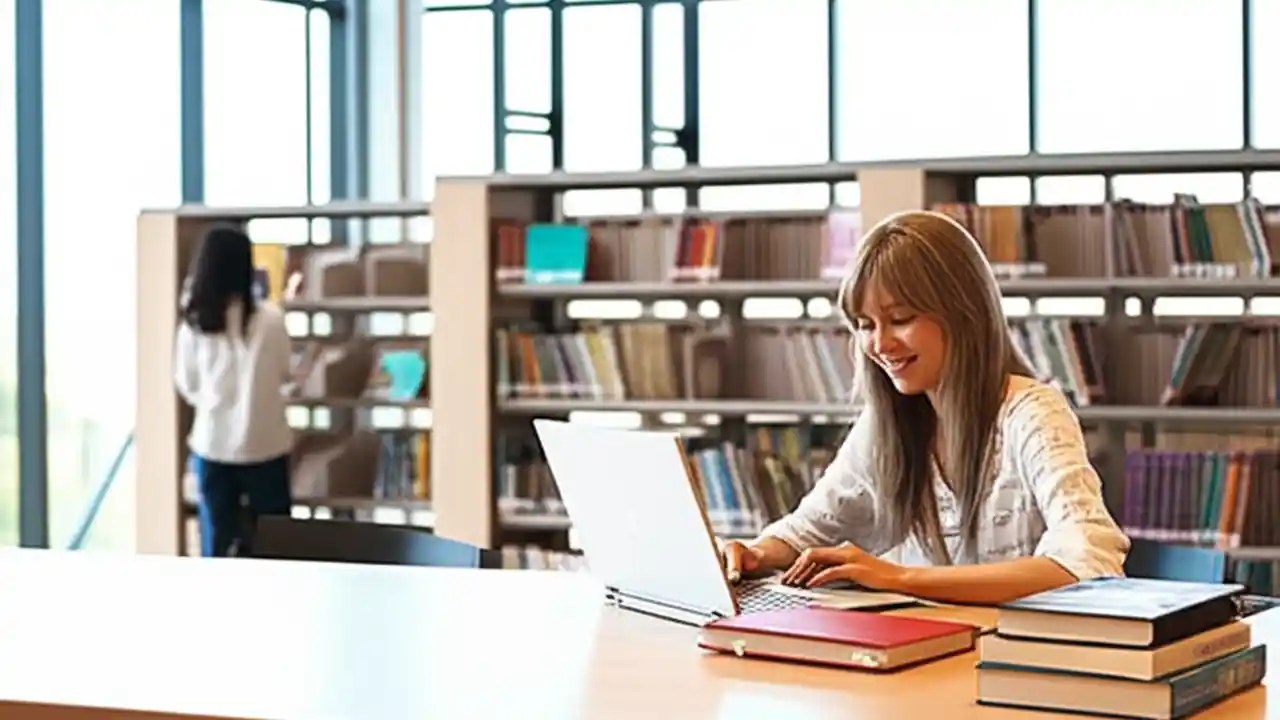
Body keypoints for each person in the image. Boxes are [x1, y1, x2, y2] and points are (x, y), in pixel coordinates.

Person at [721, 210, 1130, 606]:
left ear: (962, 314)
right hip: (931, 654)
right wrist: (756, 553)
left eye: (900, 319)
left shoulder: (1031, 413)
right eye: (865, 325)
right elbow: (808, 530)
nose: (880, 345)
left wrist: (898, 578)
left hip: (1017, 658)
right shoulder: (887, 423)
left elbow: (1089, 563)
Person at [173, 225, 295, 557]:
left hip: (213, 446)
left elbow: (187, 383)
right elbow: (287, 373)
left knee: (216, 545)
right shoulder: (271, 320)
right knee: (279, 548)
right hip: (266, 445)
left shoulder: (194, 325)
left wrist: (215, 403)